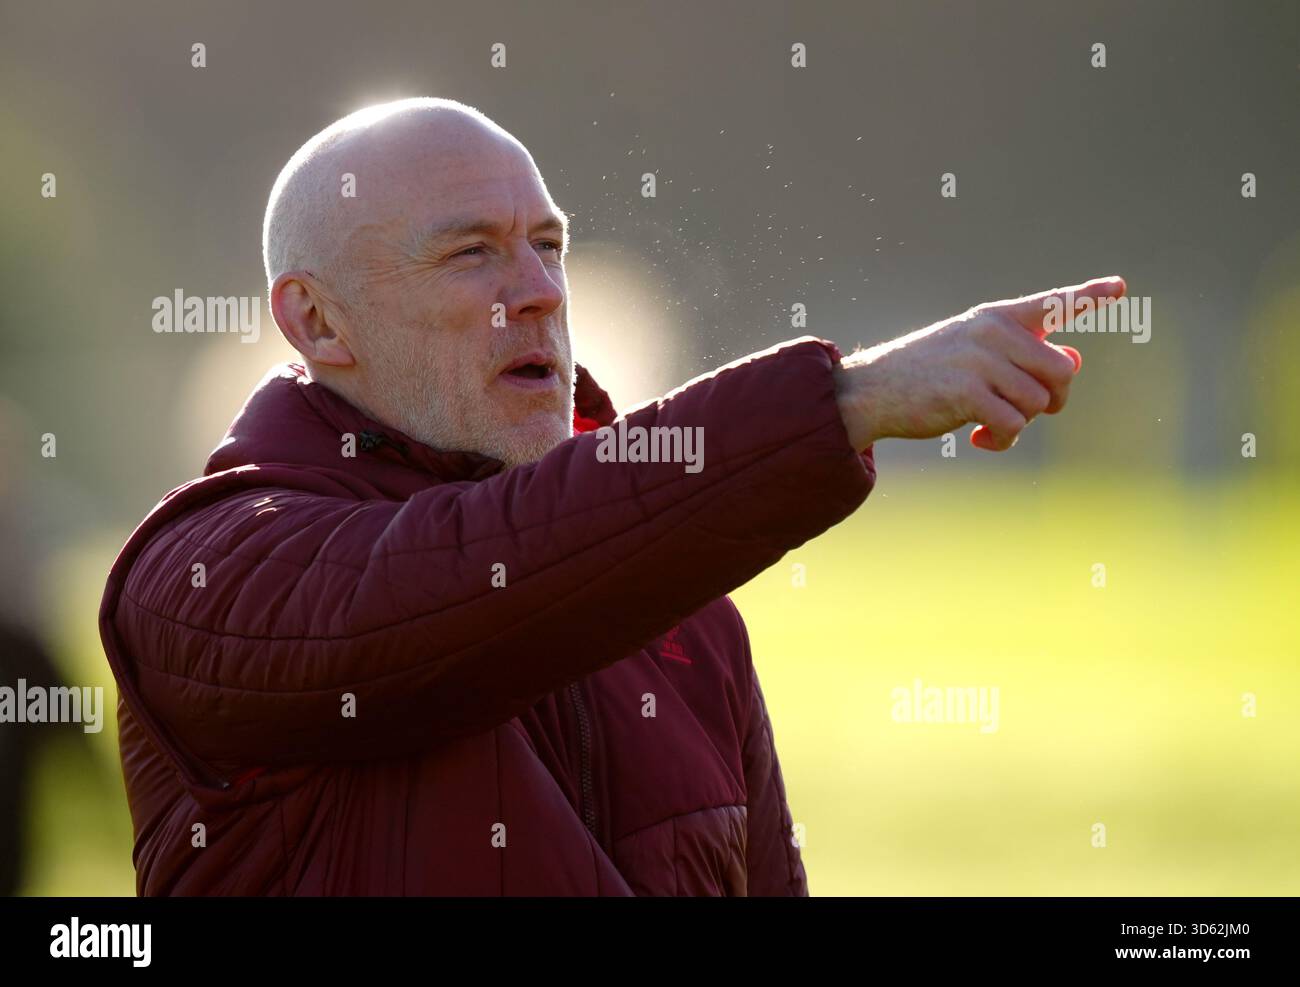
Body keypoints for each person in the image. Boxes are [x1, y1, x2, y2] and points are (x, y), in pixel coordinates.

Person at [99, 96, 1124, 895]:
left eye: (548, 245)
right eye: (471, 253)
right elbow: (479, 571)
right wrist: (839, 403)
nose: (540, 288)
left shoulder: (684, 617)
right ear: (318, 323)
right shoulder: (203, 574)